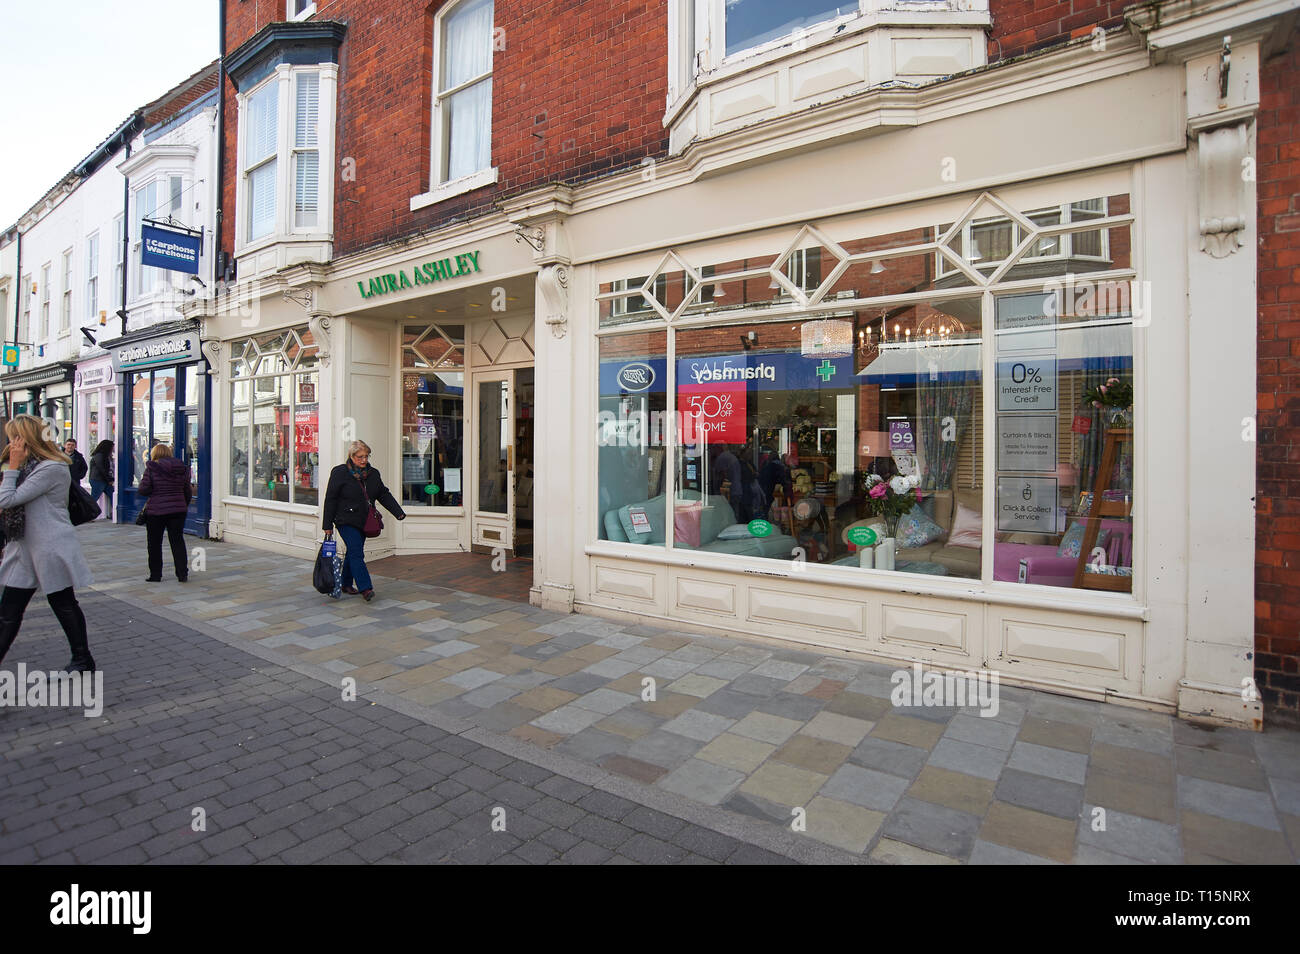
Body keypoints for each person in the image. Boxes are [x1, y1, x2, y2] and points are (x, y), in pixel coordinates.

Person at [0, 415, 95, 671]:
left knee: (63, 603)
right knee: (8, 612)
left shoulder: (51, 468)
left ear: (26, 438)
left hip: (49, 546)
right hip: (23, 548)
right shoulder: (26, 467)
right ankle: (82, 658)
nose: (10, 443)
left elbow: (7, 500)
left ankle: (82, 658)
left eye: (14, 437)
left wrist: (12, 468)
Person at [322, 439, 405, 601]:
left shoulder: (373, 474)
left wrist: (398, 512)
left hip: (364, 521)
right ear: (351, 456)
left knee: (353, 552)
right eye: (360, 457)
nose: (364, 460)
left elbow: (383, 493)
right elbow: (330, 498)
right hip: (344, 520)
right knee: (356, 552)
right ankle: (365, 588)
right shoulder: (340, 472)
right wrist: (327, 524)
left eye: (366, 456)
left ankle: (346, 584)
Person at [137, 443, 192, 583]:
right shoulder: (181, 468)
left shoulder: (151, 468)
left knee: (154, 543)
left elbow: (143, 489)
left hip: (156, 511)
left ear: (154, 453)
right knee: (177, 541)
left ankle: (155, 575)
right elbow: (187, 490)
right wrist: (183, 504)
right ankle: (182, 574)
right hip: (178, 510)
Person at [88, 439, 114, 518]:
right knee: (94, 498)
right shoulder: (99, 455)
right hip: (98, 480)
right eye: (112, 447)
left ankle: (114, 513)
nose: (113, 449)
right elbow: (102, 468)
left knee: (113, 495)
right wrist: (109, 479)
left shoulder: (105, 455)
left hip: (102, 480)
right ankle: (88, 515)